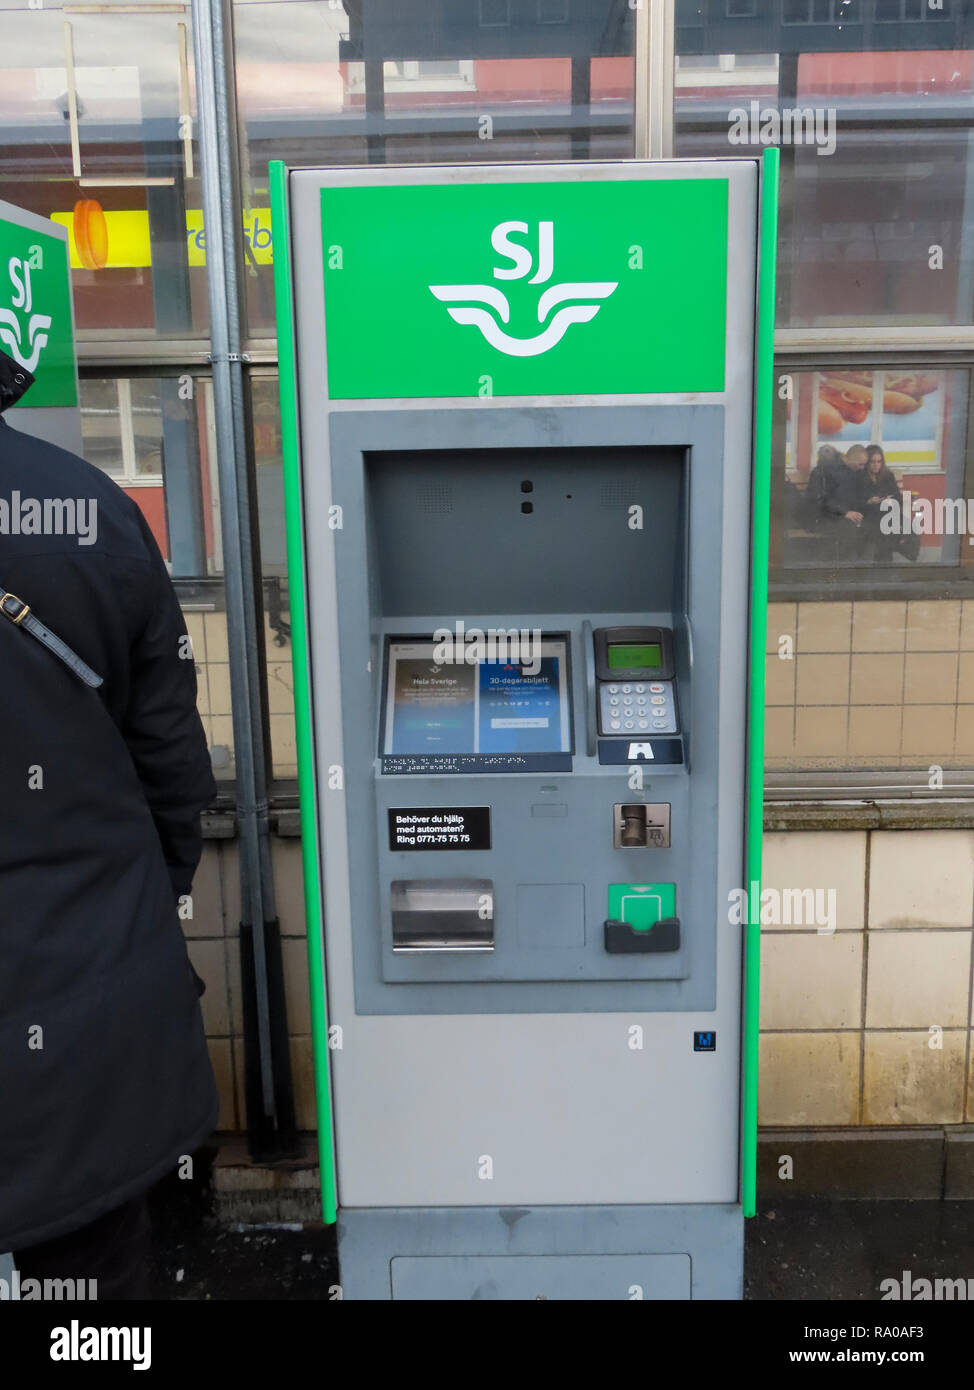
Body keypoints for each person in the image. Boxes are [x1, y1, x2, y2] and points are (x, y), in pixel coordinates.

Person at [0, 349, 218, 1298]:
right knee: (87, 1294)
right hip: (83, 994)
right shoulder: (88, 509)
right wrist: (141, 907)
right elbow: (174, 765)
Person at [803, 444, 863, 562]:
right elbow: (822, 501)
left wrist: (849, 512)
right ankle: (844, 561)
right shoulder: (820, 474)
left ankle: (848, 559)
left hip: (832, 514)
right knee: (848, 527)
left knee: (855, 524)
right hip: (819, 517)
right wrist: (845, 512)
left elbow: (838, 499)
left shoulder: (836, 472)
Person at [856, 444, 902, 562]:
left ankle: (882, 562)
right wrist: (868, 501)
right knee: (882, 526)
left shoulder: (887, 476)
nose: (876, 465)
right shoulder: (860, 477)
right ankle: (884, 563)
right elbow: (854, 500)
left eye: (879, 461)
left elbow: (898, 497)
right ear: (867, 462)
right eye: (872, 462)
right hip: (867, 514)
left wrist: (889, 500)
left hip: (885, 514)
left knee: (885, 524)